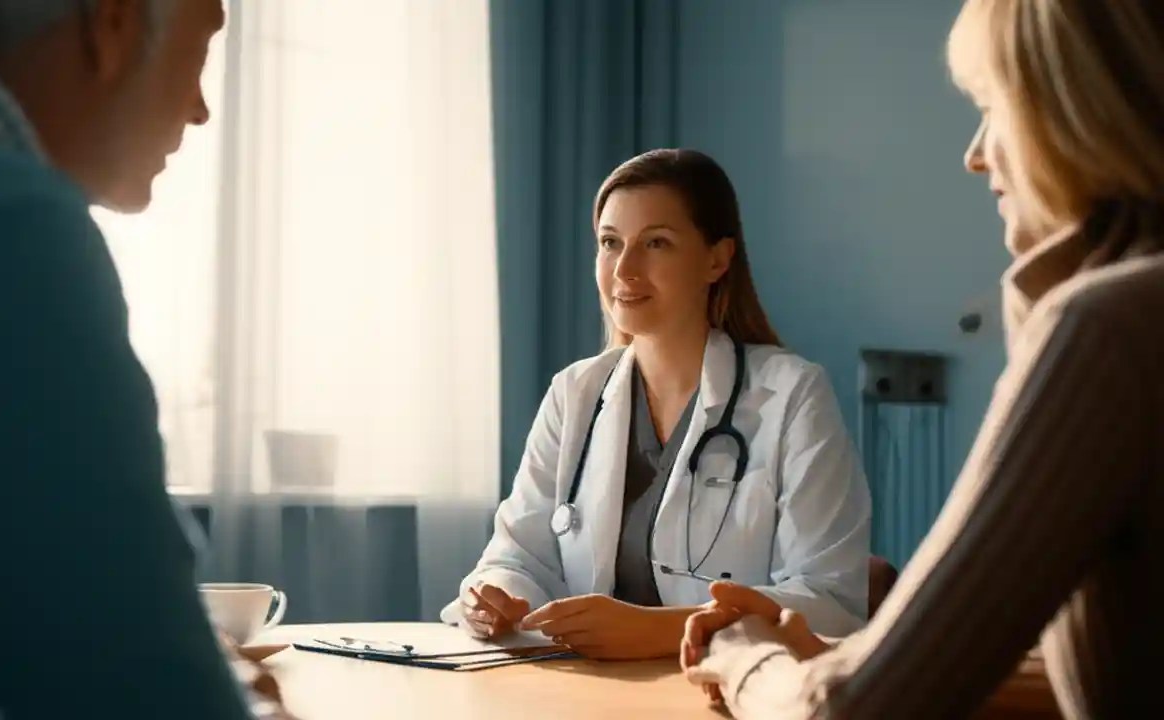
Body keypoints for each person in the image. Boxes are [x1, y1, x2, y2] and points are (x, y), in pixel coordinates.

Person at [682, 1, 1164, 717]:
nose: (975, 154)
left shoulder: (1113, 331)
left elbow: (848, 714)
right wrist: (860, 659)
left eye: (994, 107)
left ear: (1079, 110)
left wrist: (747, 658)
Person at [0, 1, 290, 717]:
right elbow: (137, 696)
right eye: (201, 51)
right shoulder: (0, 227)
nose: (199, 111)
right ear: (112, 24)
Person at [443, 149, 872, 659]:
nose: (625, 268)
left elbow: (831, 603)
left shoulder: (793, 395)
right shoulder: (575, 393)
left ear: (717, 259)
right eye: (610, 243)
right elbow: (519, 556)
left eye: (657, 243)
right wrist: (496, 596)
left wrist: (661, 630)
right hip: (583, 691)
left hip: (724, 692)